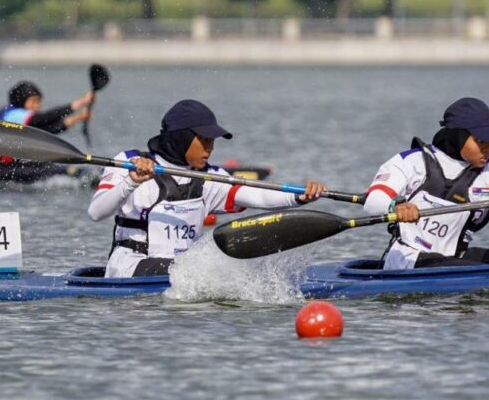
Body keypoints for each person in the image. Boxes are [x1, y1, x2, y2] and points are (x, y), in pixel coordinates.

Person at [88, 99, 326, 277]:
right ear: (181, 137)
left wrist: (299, 197)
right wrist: (132, 182)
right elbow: (96, 213)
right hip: (128, 268)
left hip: (183, 272)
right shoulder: (128, 162)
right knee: (204, 270)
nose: (210, 147)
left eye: (212, 140)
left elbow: (257, 194)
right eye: (204, 139)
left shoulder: (210, 179)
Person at [363, 97, 489, 270]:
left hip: (456, 261)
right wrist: (396, 206)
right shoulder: (411, 162)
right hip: (408, 260)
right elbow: (373, 202)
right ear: (458, 136)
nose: (488, 148)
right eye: (481, 141)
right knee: (464, 268)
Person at [0, 81, 94, 167]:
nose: (37, 106)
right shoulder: (13, 114)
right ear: (21, 100)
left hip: (11, 164)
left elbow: (48, 130)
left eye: (39, 102)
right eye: (34, 101)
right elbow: (46, 118)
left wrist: (78, 118)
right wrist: (82, 102)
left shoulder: (20, 117)